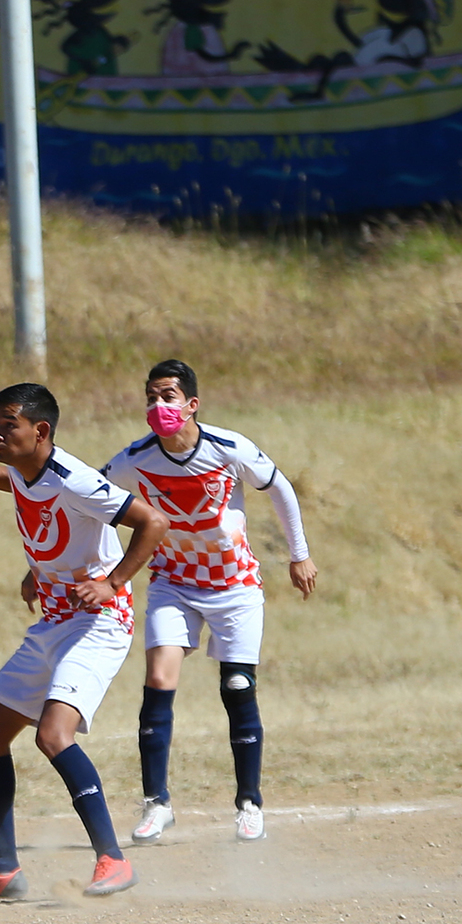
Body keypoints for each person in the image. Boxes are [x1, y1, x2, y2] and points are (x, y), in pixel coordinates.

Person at [0, 383, 167, 900]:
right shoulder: (25, 468)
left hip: (99, 622)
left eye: (7, 425)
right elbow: (18, 484)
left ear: (41, 431)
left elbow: (152, 521)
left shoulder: (75, 479)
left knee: (53, 735)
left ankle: (114, 860)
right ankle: (3, 871)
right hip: (57, 619)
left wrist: (113, 582)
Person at [99, 360, 317, 844]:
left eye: (168, 396)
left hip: (235, 586)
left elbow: (280, 488)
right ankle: (157, 804)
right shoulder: (135, 458)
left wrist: (298, 555)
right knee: (158, 680)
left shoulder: (228, 448)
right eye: (151, 397)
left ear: (192, 404)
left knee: (238, 688)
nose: (158, 406)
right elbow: (92, 501)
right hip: (173, 583)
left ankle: (249, 804)